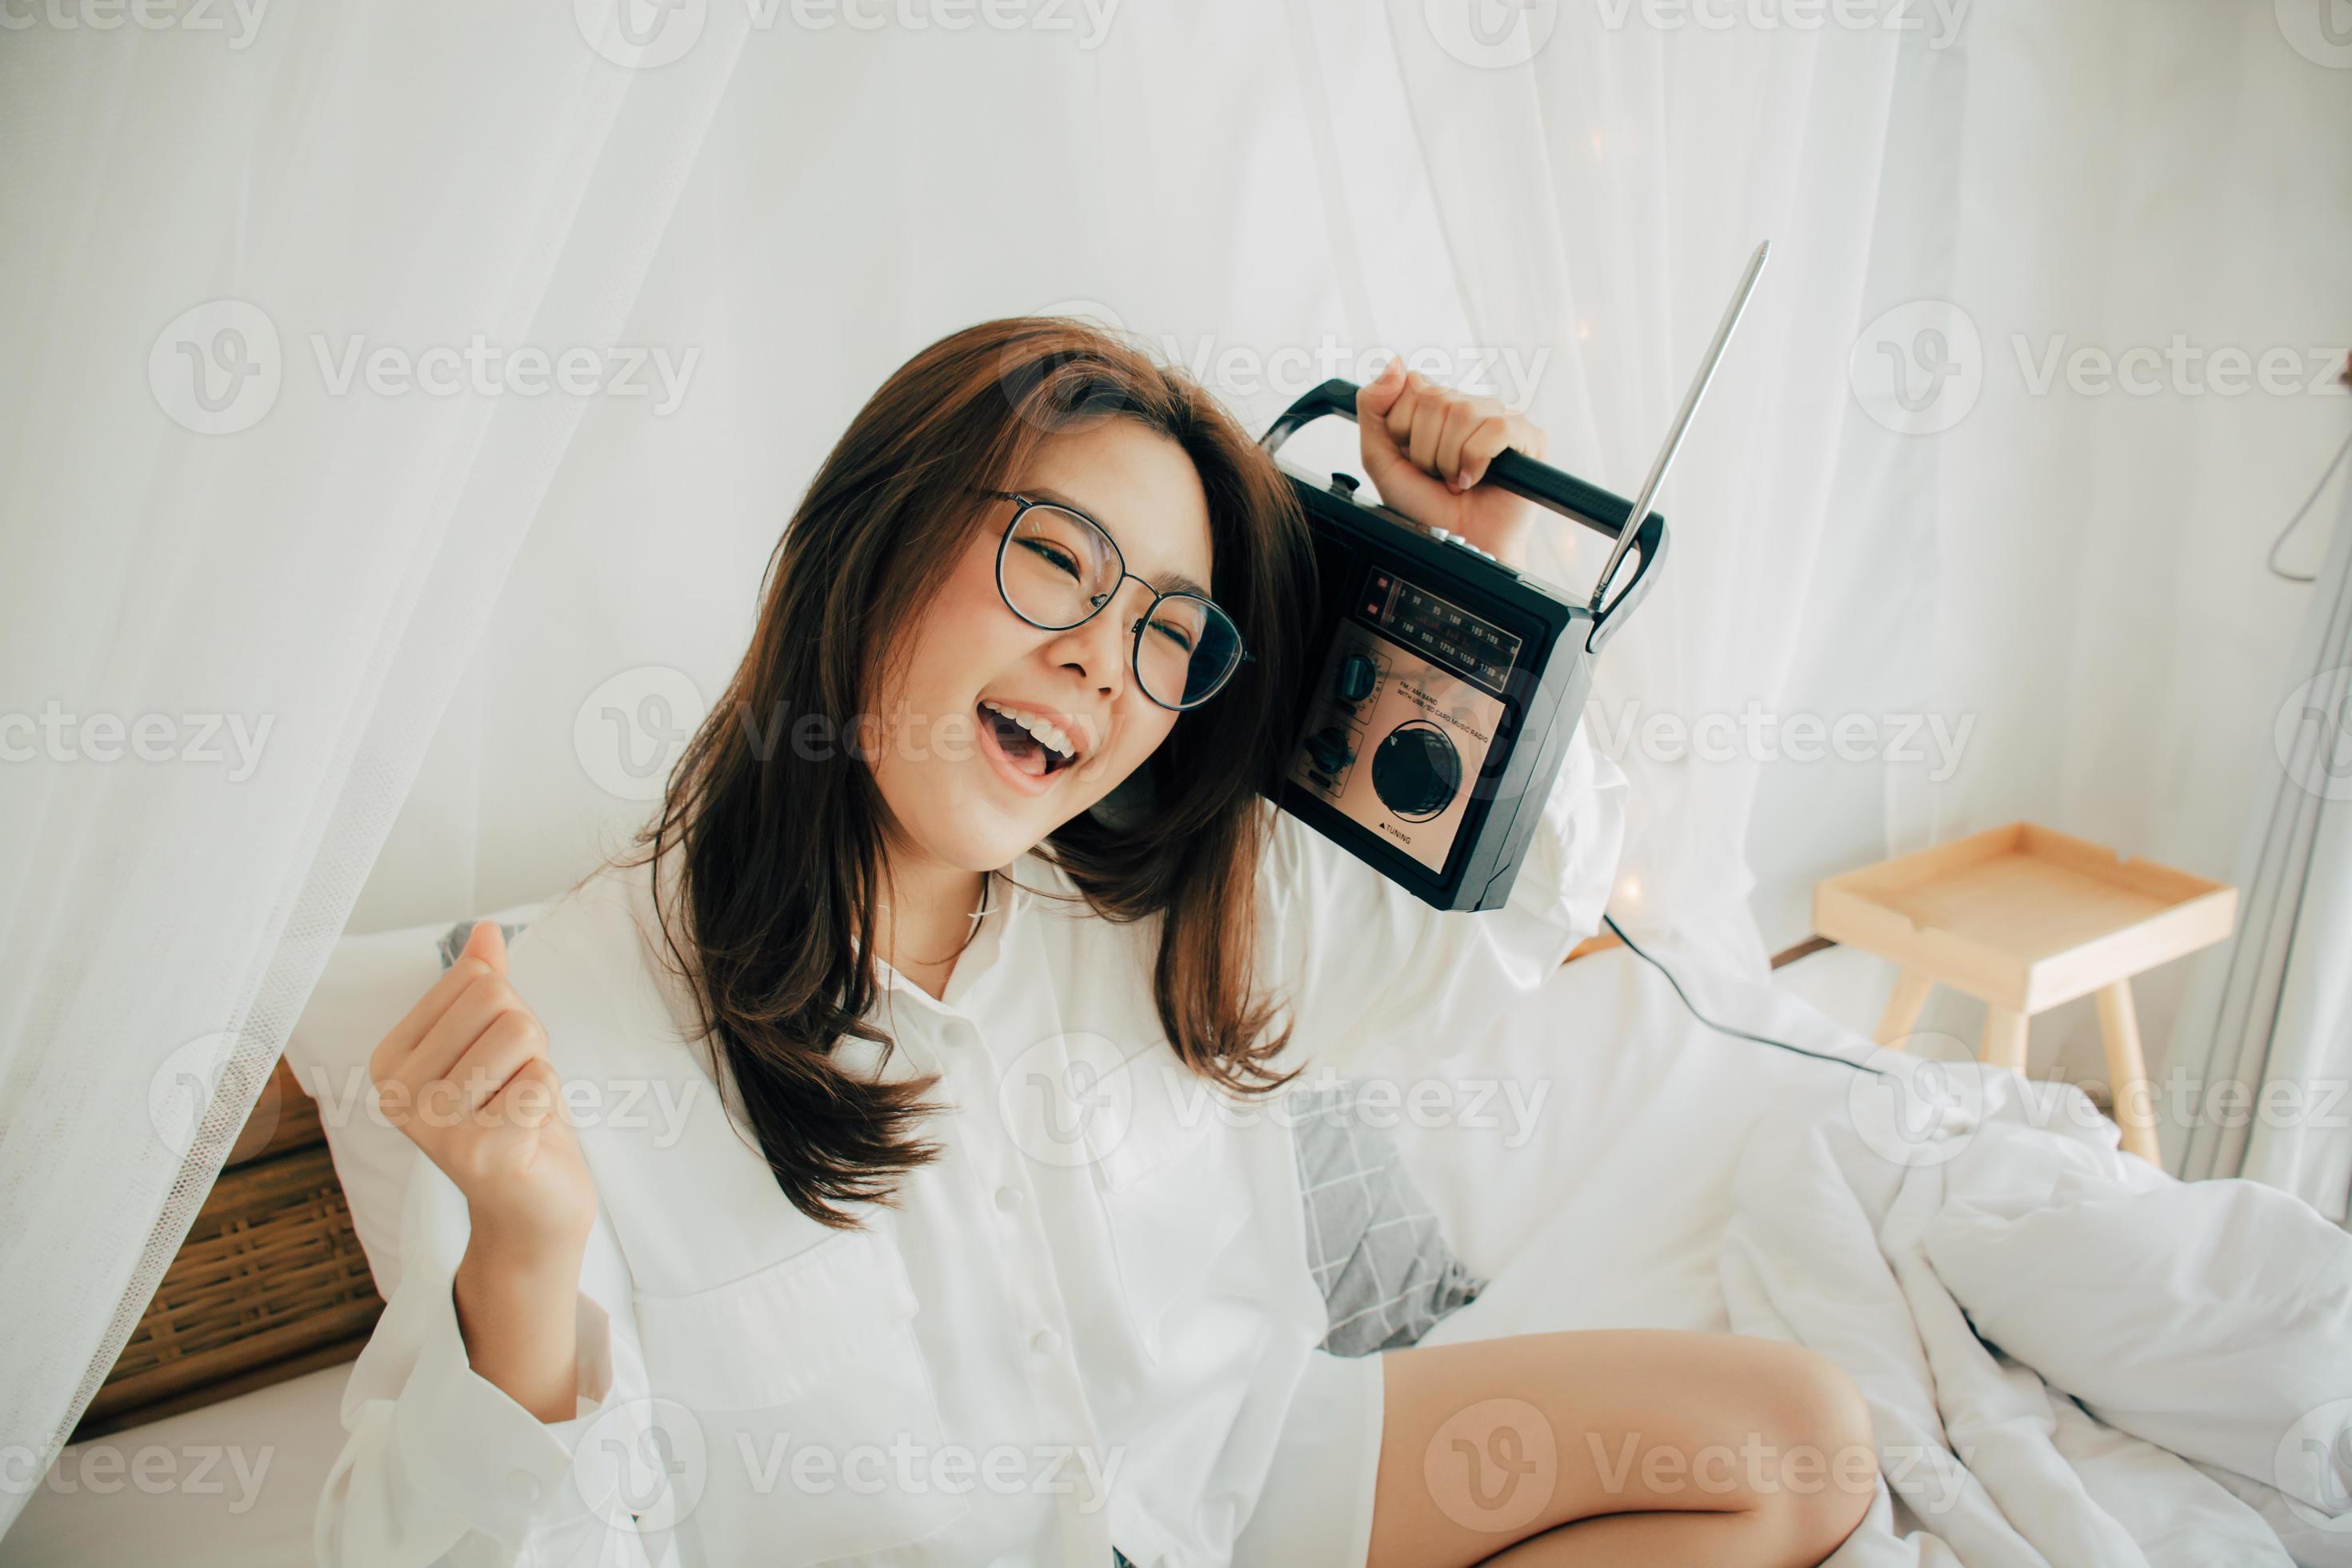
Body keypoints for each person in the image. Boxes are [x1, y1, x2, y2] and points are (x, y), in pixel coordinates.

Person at [317, 318, 1874, 1566]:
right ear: (867, 545)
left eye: (1169, 628)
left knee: (1798, 1440)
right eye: (1059, 559)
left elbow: (1523, 894)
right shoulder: (581, 1021)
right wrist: (520, 1261)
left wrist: (1468, 557)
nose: (1101, 656)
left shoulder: (1142, 904)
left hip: (1236, 1493)